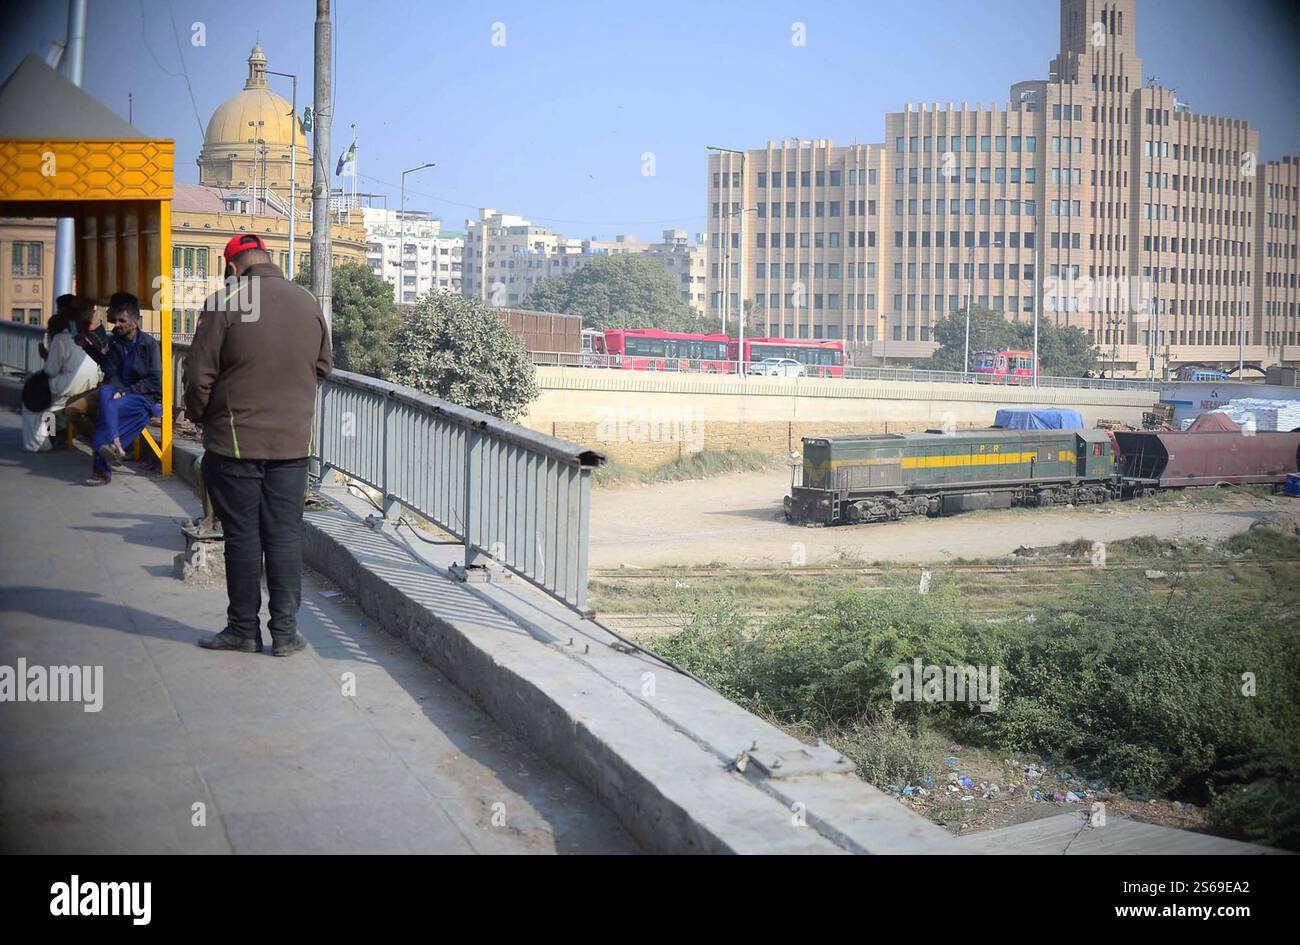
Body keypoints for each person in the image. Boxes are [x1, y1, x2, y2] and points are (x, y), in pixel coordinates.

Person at [185, 233, 331, 657]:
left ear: (233, 267)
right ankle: (285, 633)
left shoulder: (224, 303)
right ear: (268, 259)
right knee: (285, 536)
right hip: (292, 445)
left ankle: (243, 630)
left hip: (235, 445)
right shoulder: (307, 301)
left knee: (243, 537)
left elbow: (198, 378)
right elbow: (324, 365)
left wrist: (200, 415)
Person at [86, 293, 163, 486]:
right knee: (106, 399)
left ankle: (104, 465)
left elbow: (155, 381)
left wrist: (126, 392)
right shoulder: (116, 342)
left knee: (107, 411)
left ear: (135, 323)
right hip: (120, 393)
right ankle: (115, 445)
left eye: (122, 321)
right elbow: (111, 371)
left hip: (142, 396)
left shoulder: (149, 345)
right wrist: (119, 390)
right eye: (116, 321)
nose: (117, 324)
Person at [22, 295, 101, 452]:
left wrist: (45, 356)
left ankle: (40, 442)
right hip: (90, 386)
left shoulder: (60, 339)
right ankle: (57, 434)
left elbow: (51, 370)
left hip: (68, 388)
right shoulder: (90, 336)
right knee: (48, 403)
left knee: (36, 401)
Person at [65, 300, 114, 441]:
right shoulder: (112, 339)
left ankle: (101, 442)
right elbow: (105, 363)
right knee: (71, 406)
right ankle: (101, 442)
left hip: (116, 389)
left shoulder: (137, 344)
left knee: (68, 408)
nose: (106, 312)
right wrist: (86, 346)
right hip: (105, 386)